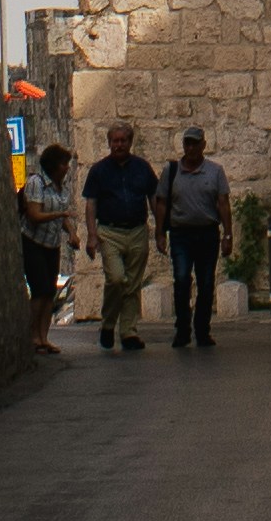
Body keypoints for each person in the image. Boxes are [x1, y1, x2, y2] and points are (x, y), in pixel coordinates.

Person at [80, 128, 160, 354]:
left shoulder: (142, 168)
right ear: (109, 143)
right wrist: (92, 235)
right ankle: (108, 324)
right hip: (110, 232)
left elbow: (153, 197)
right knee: (116, 278)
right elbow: (91, 203)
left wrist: (160, 229)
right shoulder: (99, 170)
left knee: (133, 283)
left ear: (130, 142)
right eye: (115, 141)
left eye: (123, 141)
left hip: (136, 230)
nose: (119, 145)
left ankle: (128, 331)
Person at [159, 128, 232, 348]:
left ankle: (202, 330)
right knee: (181, 279)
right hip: (181, 233)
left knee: (206, 282)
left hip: (207, 233)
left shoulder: (215, 172)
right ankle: (182, 330)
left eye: (194, 144)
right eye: (187, 144)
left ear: (203, 145)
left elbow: (223, 203)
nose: (190, 148)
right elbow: (161, 202)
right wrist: (160, 233)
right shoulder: (171, 171)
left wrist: (228, 234)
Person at [15, 145, 75, 344]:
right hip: (33, 242)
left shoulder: (61, 188)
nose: (67, 168)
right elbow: (34, 215)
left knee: (50, 291)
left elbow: (63, 218)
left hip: (52, 245)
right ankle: (33, 336)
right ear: (55, 165)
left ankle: (44, 337)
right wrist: (59, 215)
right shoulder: (36, 183)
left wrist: (72, 233)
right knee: (40, 289)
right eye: (64, 164)